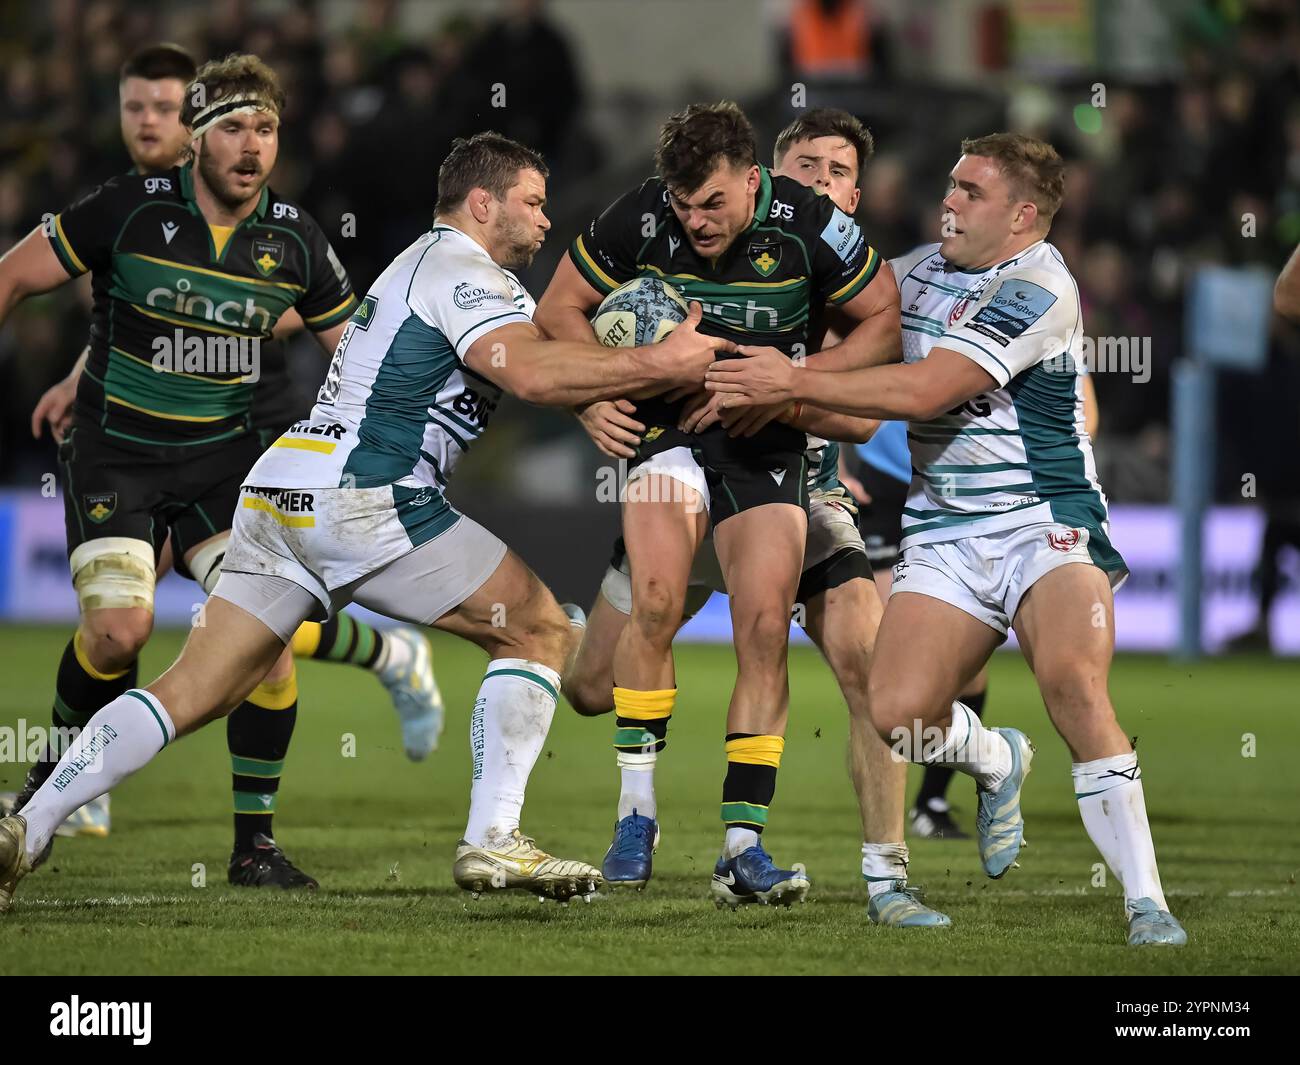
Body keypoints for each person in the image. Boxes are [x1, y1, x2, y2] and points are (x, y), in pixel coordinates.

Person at [0, 130, 729, 912]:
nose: (547, 220)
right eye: (533, 202)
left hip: (282, 488)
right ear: (483, 204)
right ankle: (492, 837)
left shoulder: (429, 266)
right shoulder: (463, 270)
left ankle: (26, 827)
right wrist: (659, 364)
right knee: (541, 629)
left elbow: (531, 359)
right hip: (366, 492)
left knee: (189, 693)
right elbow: (526, 367)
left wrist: (588, 394)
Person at [705, 133, 1187, 946]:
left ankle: (1146, 900)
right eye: (950, 185)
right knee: (897, 712)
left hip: (1045, 520)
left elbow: (931, 387)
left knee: (1071, 681)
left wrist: (787, 383)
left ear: (1024, 215)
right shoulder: (911, 273)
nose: (949, 201)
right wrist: (757, 387)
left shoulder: (1041, 286)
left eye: (971, 191)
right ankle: (996, 758)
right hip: (945, 531)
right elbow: (855, 404)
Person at [8, 45, 444, 882]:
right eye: (235, 126)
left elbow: (362, 357)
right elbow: (13, 277)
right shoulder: (126, 210)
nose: (253, 145)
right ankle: (43, 796)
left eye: (268, 128)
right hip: (118, 455)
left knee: (265, 639)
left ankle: (254, 848)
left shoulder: (295, 240)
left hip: (223, 467)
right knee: (119, 631)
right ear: (196, 138)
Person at [564, 109, 948, 924]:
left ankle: (814, 859)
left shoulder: (822, 242)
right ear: (777, 162)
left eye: (709, 204)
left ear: (749, 182)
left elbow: (868, 393)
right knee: (596, 677)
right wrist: (595, 391)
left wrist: (786, 383)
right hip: (669, 439)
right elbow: (556, 316)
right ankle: (635, 809)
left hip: (783, 459)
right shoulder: (641, 215)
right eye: (683, 204)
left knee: (820, 649)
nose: (693, 221)